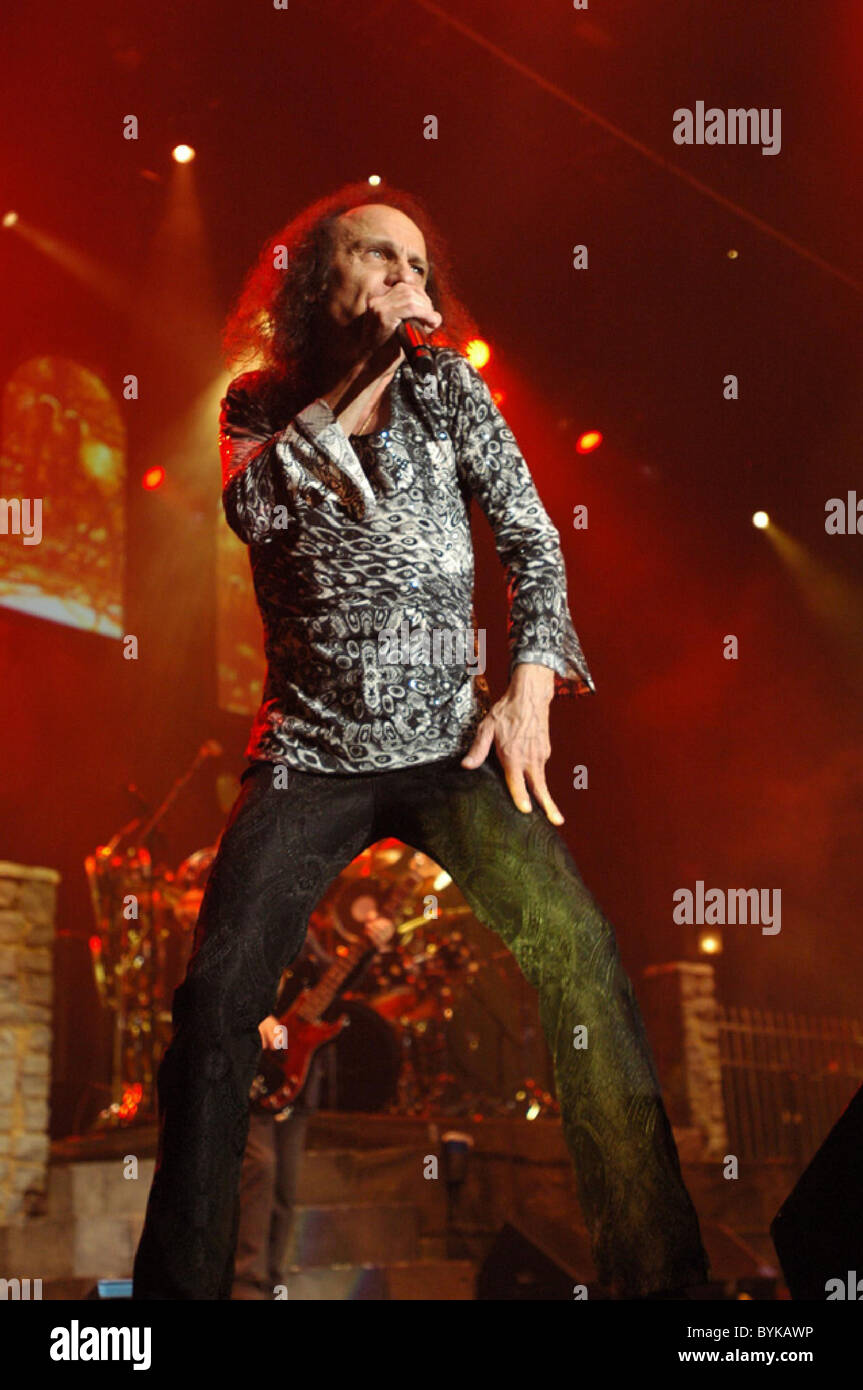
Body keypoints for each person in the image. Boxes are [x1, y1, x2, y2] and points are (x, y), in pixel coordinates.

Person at [132, 182, 710, 1300]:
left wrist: (528, 684)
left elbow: (535, 544)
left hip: (451, 747)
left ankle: (666, 1292)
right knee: (212, 1009)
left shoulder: (453, 392)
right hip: (305, 755)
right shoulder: (257, 403)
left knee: (582, 962)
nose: (408, 277)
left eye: (417, 263)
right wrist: (369, 370)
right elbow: (258, 514)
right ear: (319, 283)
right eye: (377, 257)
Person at [232, 913, 395, 1300]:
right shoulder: (239, 920)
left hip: (299, 1082)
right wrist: (257, 1016)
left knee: (286, 1189)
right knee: (261, 1170)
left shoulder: (304, 937)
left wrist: (369, 946)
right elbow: (215, 982)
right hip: (252, 1074)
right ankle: (244, 1282)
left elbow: (332, 983)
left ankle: (271, 1281)